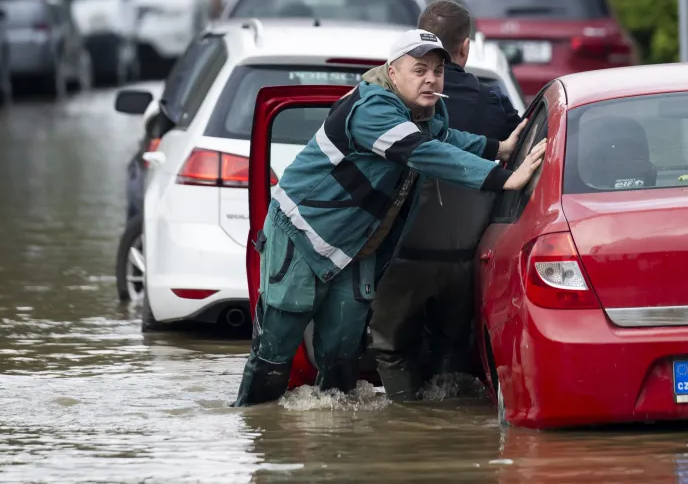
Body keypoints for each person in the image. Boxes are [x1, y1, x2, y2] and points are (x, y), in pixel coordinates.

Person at [234, 29, 547, 406]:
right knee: (274, 355)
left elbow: (444, 138)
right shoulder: (373, 111)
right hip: (300, 235)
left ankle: (335, 451)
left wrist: (500, 147)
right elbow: (425, 151)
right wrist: (503, 178)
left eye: (437, 71)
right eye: (419, 70)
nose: (431, 78)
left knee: (342, 360)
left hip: (357, 248)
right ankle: (256, 429)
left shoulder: (425, 112)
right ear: (393, 73)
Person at [367, 0, 523, 401]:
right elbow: (516, 152)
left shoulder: (386, 103)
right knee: (454, 352)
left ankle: (405, 429)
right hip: (466, 260)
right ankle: (449, 421)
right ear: (466, 47)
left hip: (400, 259)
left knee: (392, 348)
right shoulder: (495, 104)